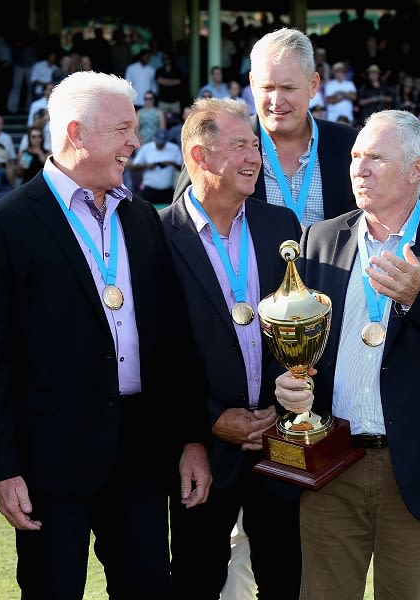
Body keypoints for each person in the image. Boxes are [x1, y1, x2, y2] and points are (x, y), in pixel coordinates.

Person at [0, 70, 211, 598]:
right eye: (123, 129)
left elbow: (170, 344)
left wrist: (189, 439)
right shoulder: (2, 226)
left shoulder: (141, 218)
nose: (135, 143)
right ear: (76, 133)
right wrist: (3, 469)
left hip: (140, 460)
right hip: (50, 468)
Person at [274, 109, 420, 599]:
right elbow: (299, 341)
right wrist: (288, 381)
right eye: (355, 156)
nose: (359, 168)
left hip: (413, 467)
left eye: (375, 157)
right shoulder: (320, 238)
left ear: (417, 170)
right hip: (332, 463)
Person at [160, 97, 303, 600]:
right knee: (198, 579)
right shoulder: (158, 236)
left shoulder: (280, 225)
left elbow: (297, 329)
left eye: (256, 146)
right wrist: (206, 422)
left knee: (286, 577)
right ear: (200, 156)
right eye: (240, 145)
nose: (255, 157)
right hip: (202, 451)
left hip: (277, 440)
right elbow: (158, 354)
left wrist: (281, 404)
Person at [174, 28, 357, 226]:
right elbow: (182, 226)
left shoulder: (350, 145)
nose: (276, 100)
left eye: (288, 88)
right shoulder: (216, 145)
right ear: (252, 84)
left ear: (313, 85)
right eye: (267, 88)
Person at [131, 128, 182, 204]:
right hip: (149, 190)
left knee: (167, 213)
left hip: (167, 191)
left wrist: (172, 163)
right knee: (147, 213)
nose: (160, 145)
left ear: (166, 140)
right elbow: (134, 166)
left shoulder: (174, 148)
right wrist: (146, 166)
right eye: (158, 142)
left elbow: (181, 168)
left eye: (162, 143)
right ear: (154, 138)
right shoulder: (146, 148)